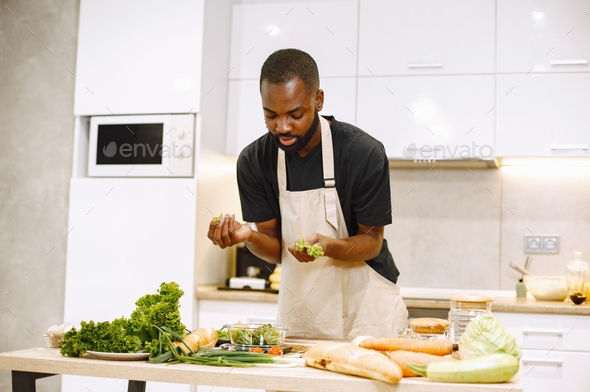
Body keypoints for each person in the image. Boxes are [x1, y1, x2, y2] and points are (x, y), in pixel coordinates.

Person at [207, 48, 408, 339]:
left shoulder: (362, 153)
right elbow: (276, 250)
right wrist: (248, 237)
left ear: (319, 100)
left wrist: (327, 245)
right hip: (301, 314)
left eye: (295, 114)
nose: (283, 127)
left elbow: (372, 242)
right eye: (270, 115)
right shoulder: (254, 161)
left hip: (369, 312)